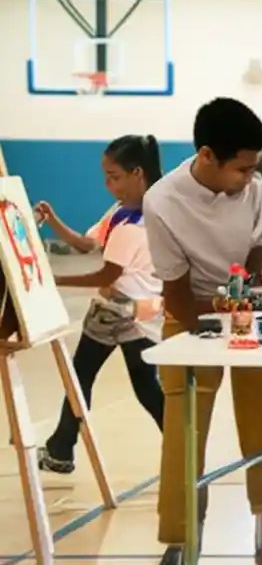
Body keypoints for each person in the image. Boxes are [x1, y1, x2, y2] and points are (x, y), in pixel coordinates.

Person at [144, 97, 262, 565]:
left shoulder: (255, 188)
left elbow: (259, 250)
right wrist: (226, 305)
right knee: (184, 435)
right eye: (243, 167)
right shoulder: (162, 201)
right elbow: (178, 299)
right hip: (191, 316)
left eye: (255, 167)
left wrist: (252, 295)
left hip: (247, 315)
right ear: (208, 156)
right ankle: (180, 542)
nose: (252, 177)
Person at [35, 135, 166, 474]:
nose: (108, 185)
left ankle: (61, 450)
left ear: (138, 172)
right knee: (141, 385)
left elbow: (106, 274)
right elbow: (85, 244)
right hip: (132, 313)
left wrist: (55, 281)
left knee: (83, 379)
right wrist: (52, 219)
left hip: (123, 311)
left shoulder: (139, 223)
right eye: (105, 176)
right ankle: (61, 449)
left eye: (115, 176)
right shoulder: (122, 211)